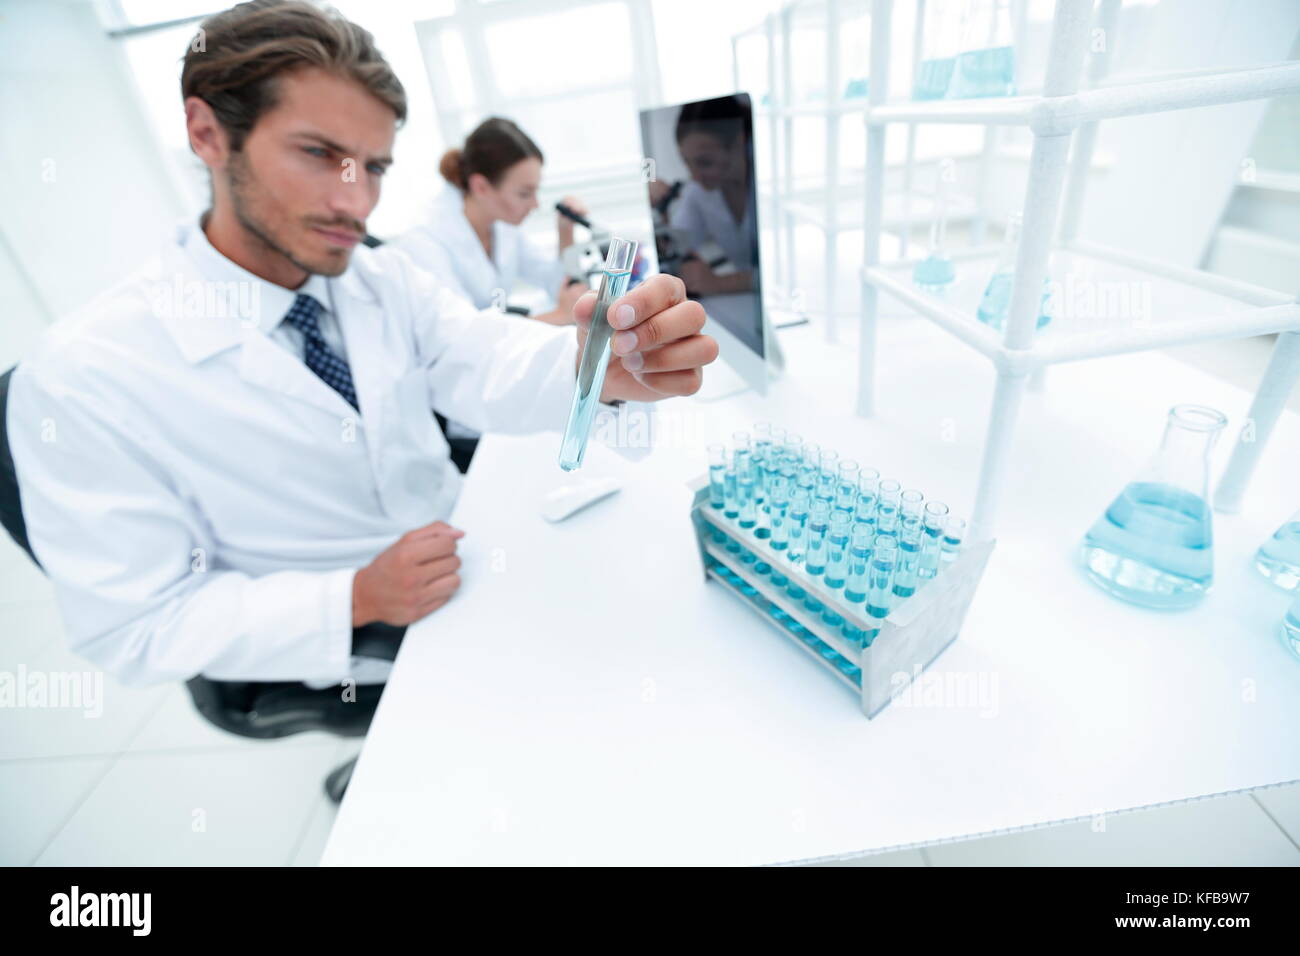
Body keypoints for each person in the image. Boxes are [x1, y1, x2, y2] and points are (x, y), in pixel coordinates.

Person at [6, 0, 716, 688]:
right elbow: (134, 625)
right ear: (207, 133)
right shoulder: (81, 378)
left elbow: (482, 357)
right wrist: (354, 599)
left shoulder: (377, 277)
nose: (357, 203)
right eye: (320, 154)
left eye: (373, 167)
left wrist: (607, 366)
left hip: (465, 548)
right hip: (353, 637)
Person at [392, 117, 589, 327]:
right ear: (481, 187)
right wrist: (558, 317)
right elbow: (458, 333)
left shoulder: (500, 223)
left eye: (535, 191)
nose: (535, 205)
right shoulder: (425, 240)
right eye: (524, 194)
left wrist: (565, 232)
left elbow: (556, 284)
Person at [650, 95, 757, 296]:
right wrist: (658, 212)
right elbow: (678, 247)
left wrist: (721, 283)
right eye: (687, 162)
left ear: (739, 144)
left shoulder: (766, 187)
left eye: (705, 162)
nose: (695, 176)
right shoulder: (698, 191)